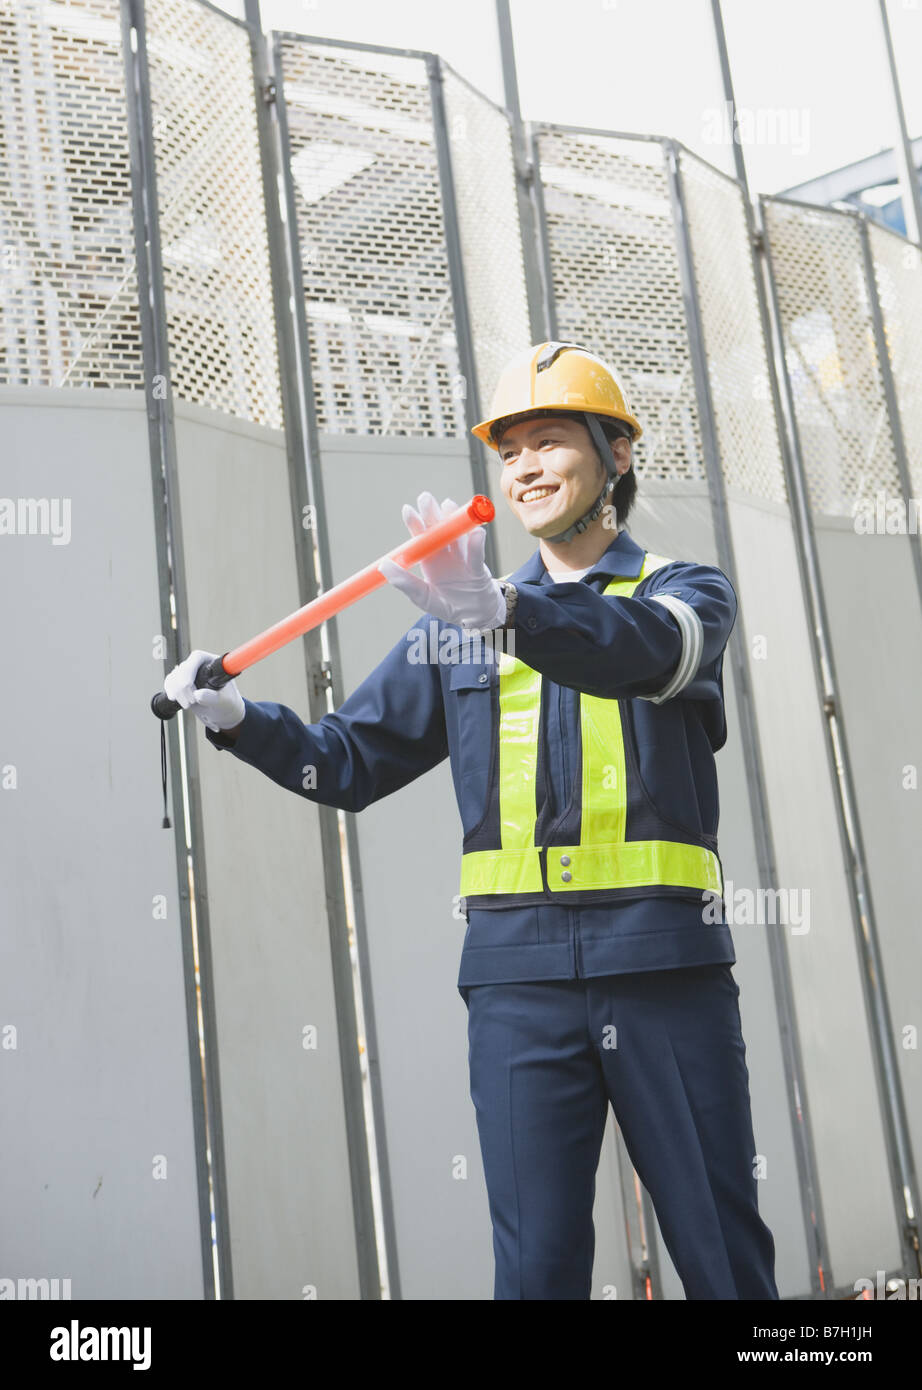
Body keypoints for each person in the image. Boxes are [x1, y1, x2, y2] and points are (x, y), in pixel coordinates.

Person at [163, 340, 779, 1301]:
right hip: (515, 986)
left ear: (616, 454)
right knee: (533, 1273)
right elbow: (352, 760)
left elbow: (646, 655)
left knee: (723, 1261)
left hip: (664, 971)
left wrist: (504, 615)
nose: (526, 466)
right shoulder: (456, 616)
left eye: (551, 440)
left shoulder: (682, 593)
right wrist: (243, 722)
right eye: (510, 449)